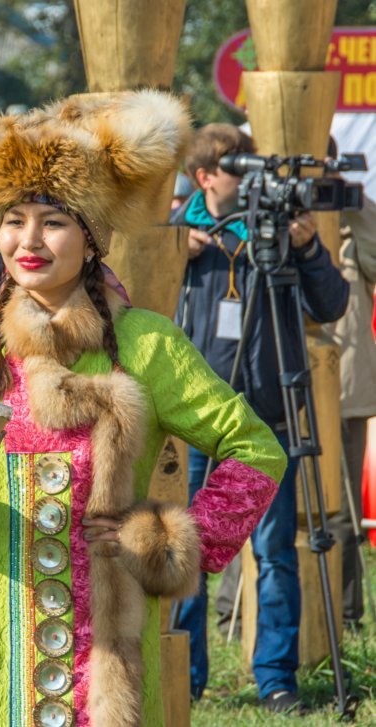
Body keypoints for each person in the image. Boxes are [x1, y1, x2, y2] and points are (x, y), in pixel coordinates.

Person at [0, 90, 287, 727]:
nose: (29, 239)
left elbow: (256, 449)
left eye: (52, 221)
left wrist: (166, 540)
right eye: (13, 219)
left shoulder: (146, 345)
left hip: (105, 652)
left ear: (92, 240)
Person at [172, 123, 349, 712]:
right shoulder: (179, 237)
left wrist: (308, 249)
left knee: (274, 554)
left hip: (267, 419)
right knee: (187, 551)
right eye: (236, 168)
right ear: (206, 178)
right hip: (196, 423)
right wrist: (175, 250)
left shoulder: (273, 234)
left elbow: (331, 305)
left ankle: (276, 680)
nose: (249, 178)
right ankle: (185, 677)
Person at [327, 187, 376, 630]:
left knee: (340, 509)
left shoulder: (353, 226)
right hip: (281, 386)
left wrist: (355, 203)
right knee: (274, 503)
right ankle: (237, 611)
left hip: (344, 391)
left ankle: (345, 614)